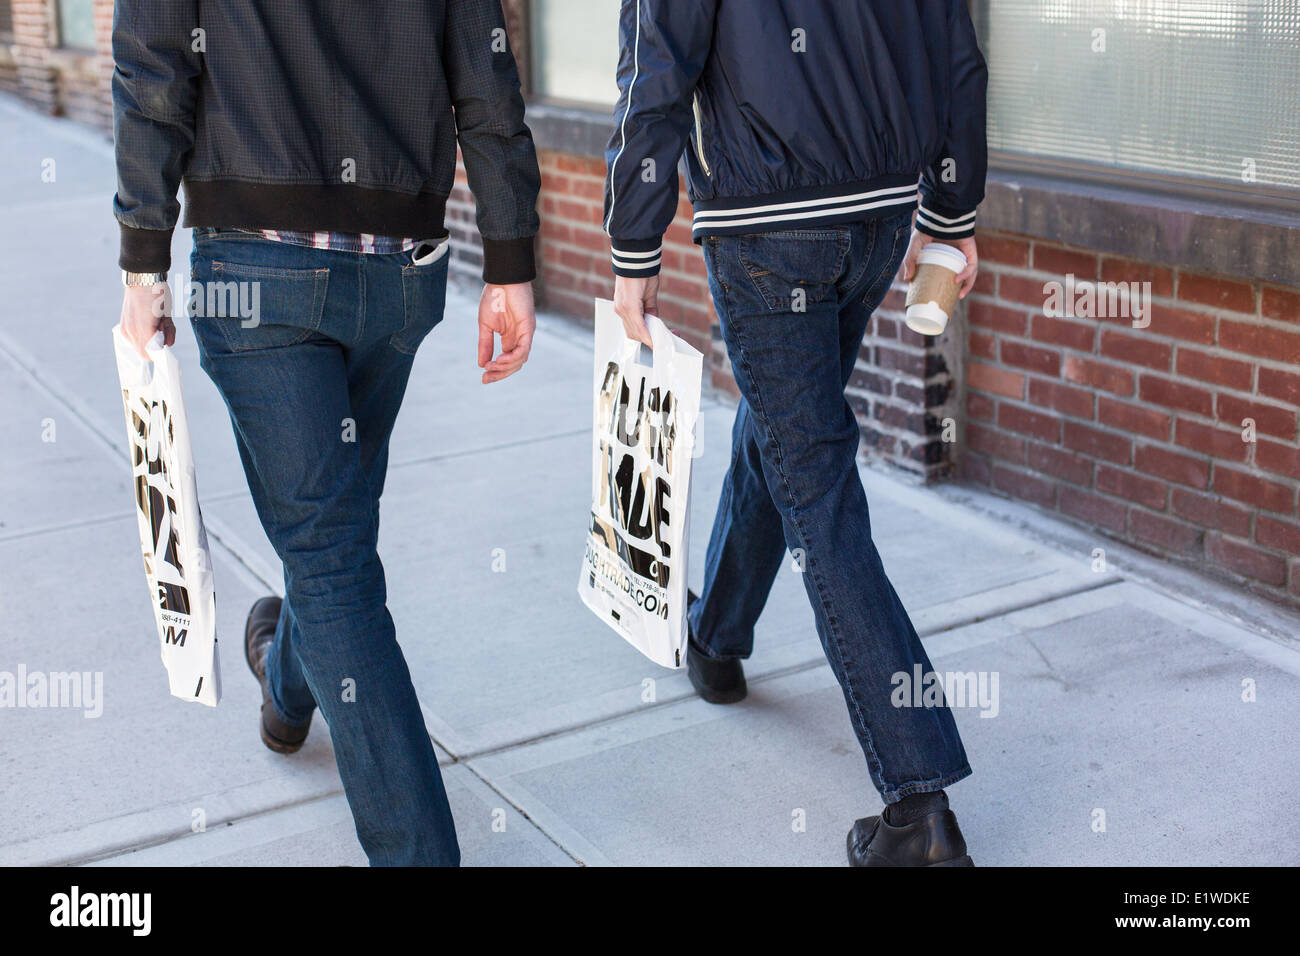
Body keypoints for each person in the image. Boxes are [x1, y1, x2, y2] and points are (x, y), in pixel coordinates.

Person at [113, 0, 540, 866]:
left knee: (332, 559)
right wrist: (509, 257)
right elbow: (485, 71)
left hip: (258, 274)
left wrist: (142, 258)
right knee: (334, 537)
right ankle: (287, 687)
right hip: (398, 276)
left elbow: (154, 67)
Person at [604, 0, 987, 866]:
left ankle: (918, 800)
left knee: (815, 484)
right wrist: (952, 210)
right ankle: (717, 640)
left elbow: (654, 62)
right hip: (880, 217)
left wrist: (633, 245)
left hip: (769, 222)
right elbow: (957, 52)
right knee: (785, 429)